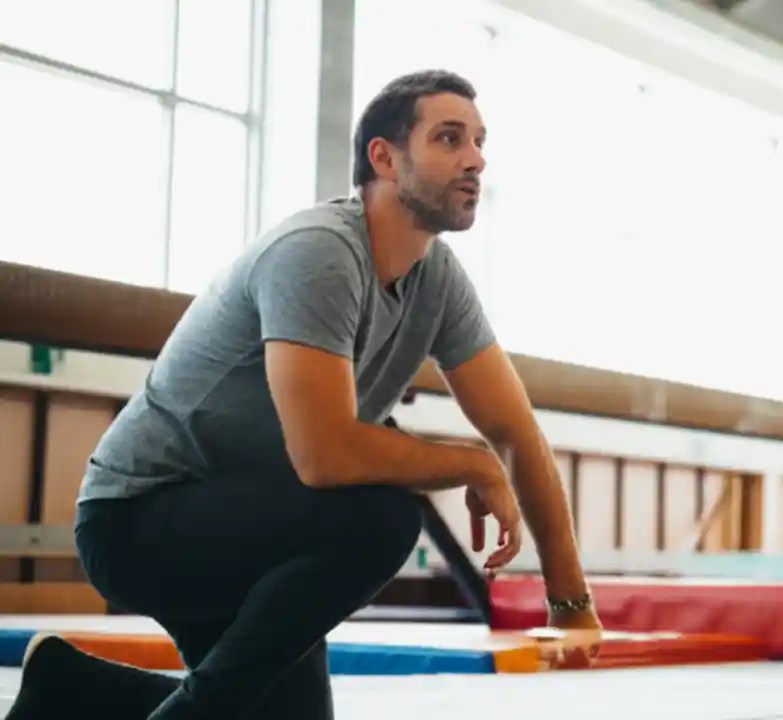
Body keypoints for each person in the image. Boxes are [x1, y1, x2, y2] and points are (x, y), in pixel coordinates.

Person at [6, 69, 600, 720]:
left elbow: (516, 433)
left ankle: (67, 686)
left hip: (256, 522)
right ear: (384, 157)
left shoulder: (439, 281)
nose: (475, 159)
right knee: (382, 515)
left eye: (480, 142)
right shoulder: (318, 254)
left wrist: (572, 602)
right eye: (449, 139)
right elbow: (327, 457)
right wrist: (471, 462)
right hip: (141, 520)